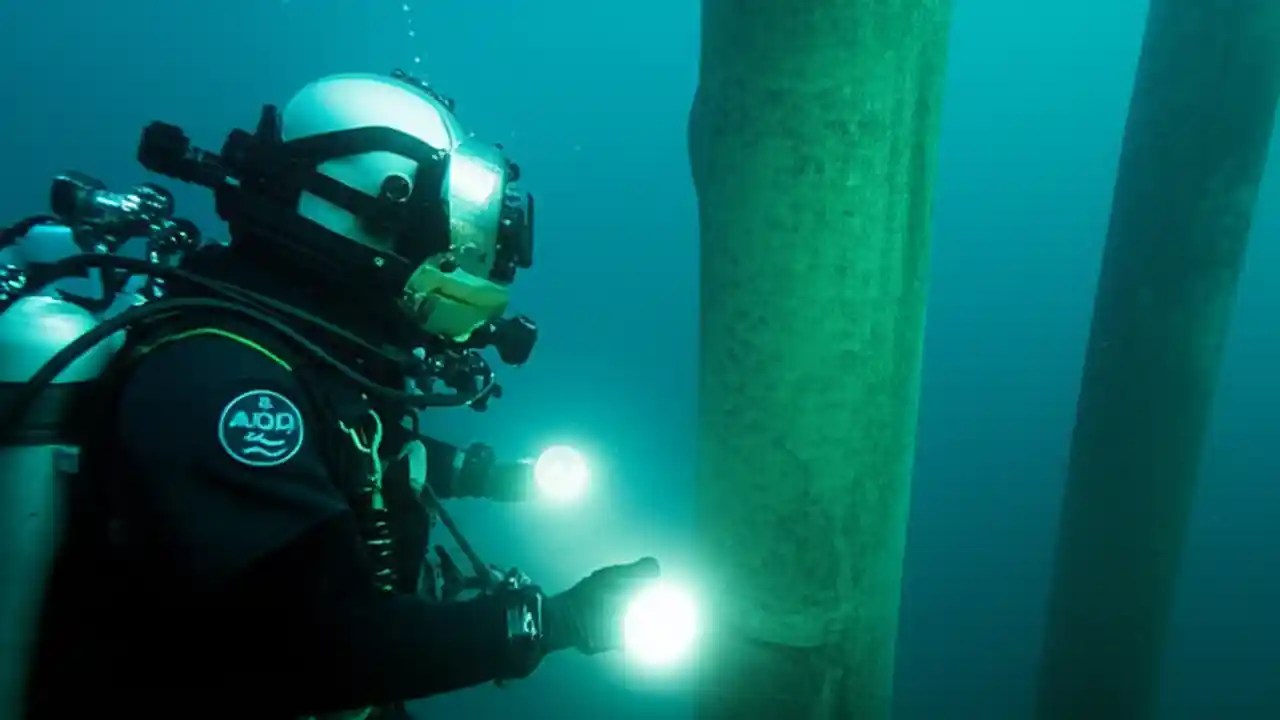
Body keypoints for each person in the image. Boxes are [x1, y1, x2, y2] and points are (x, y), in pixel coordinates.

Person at [18, 70, 661, 719]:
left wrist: (495, 476)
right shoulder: (223, 381)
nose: (473, 249)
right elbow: (318, 648)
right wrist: (554, 621)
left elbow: (348, 442)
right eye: (457, 219)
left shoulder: (299, 351)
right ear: (375, 210)